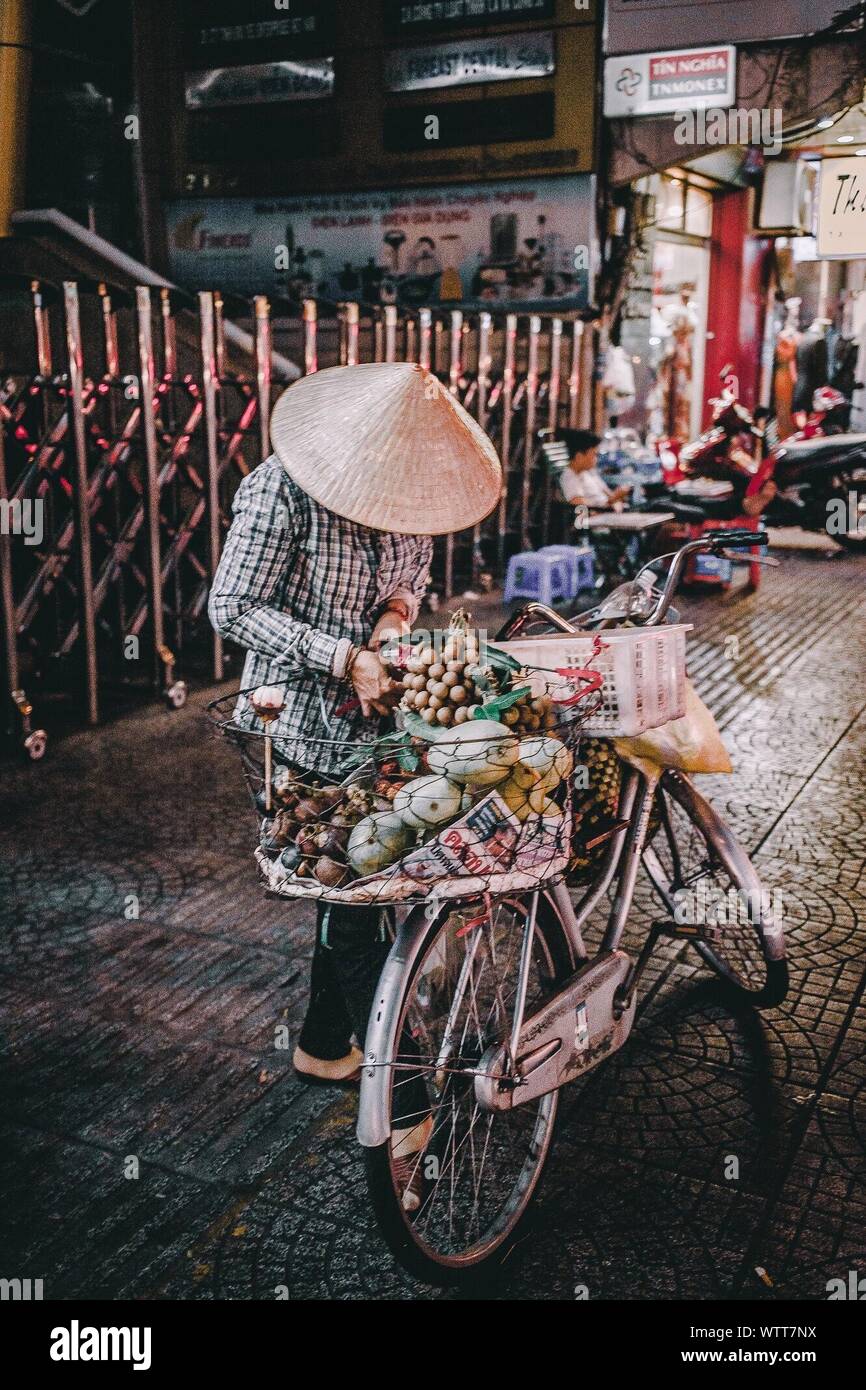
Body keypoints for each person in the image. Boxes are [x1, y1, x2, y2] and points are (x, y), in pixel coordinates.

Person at [209, 361, 502, 1207]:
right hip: (297, 723)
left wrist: (392, 621)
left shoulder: (411, 498)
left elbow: (407, 580)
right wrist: (343, 656)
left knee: (350, 888)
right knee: (359, 895)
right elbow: (231, 606)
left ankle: (321, 1044)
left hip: (377, 727)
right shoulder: (282, 491)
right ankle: (405, 1101)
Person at [557, 428, 631, 511]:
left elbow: (609, 495)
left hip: (609, 510)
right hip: (599, 515)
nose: (596, 459)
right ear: (579, 456)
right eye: (594, 455)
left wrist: (616, 498)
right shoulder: (570, 477)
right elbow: (579, 506)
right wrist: (610, 503)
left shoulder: (589, 472)